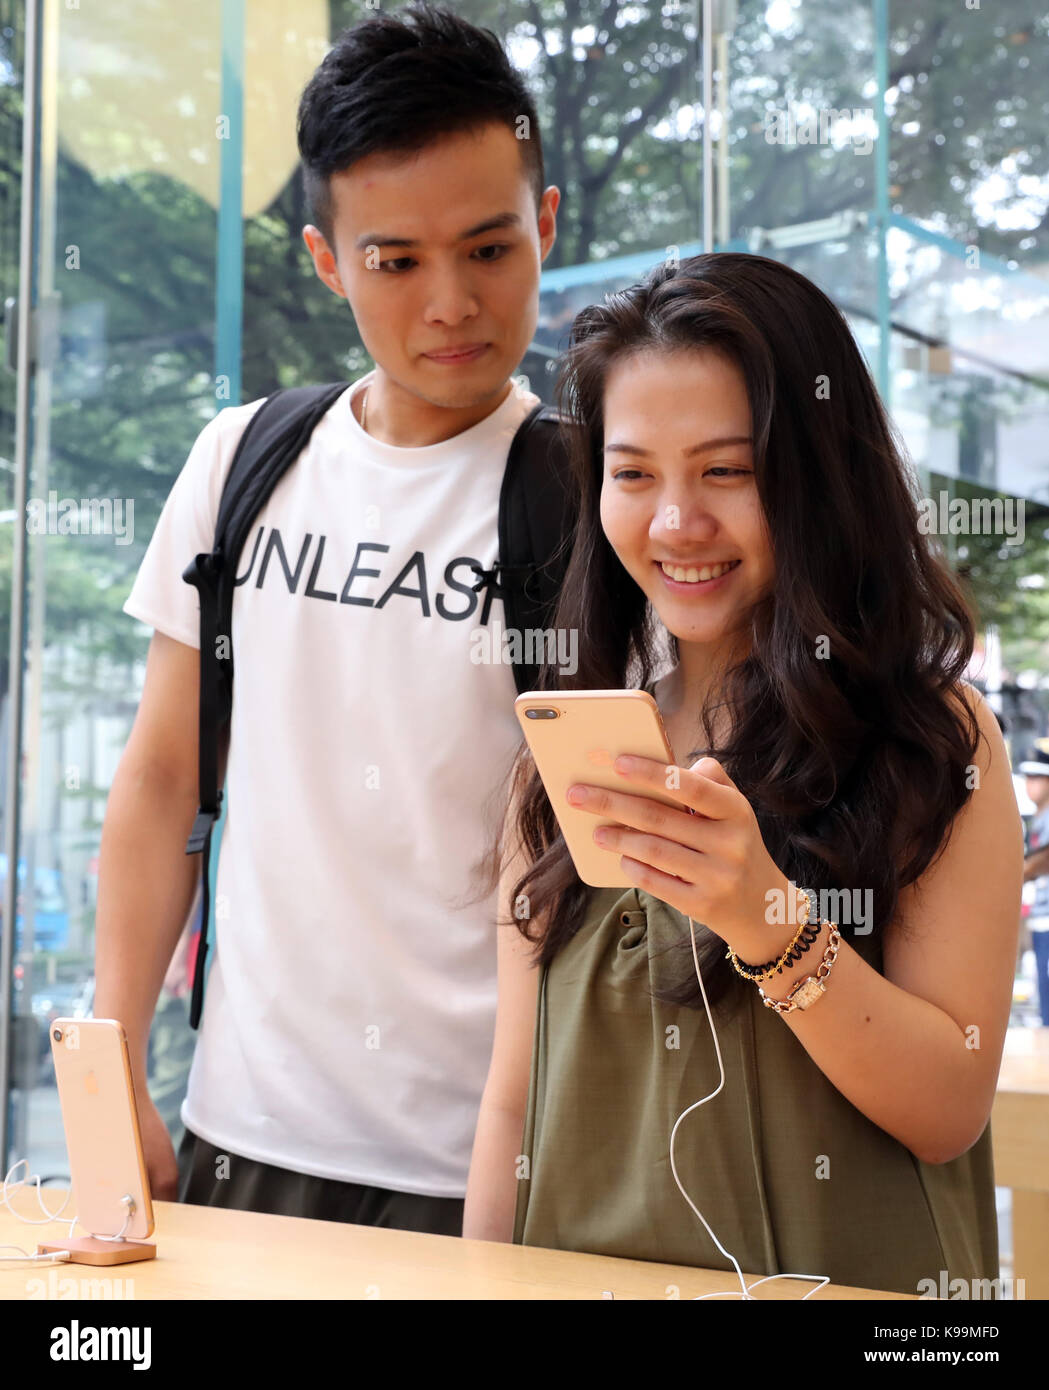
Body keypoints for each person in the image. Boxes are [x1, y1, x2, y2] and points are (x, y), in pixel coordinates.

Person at [464, 253, 1024, 1297]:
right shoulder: (560, 765)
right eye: (632, 475)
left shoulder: (929, 738)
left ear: (815, 476)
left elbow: (948, 1107)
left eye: (726, 470)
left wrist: (768, 921)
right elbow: (510, 1104)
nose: (674, 521)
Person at [95, 3, 563, 1234]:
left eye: (487, 248)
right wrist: (113, 1057)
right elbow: (159, 779)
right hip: (239, 1130)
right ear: (325, 259)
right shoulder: (241, 462)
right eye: (394, 261)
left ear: (545, 227)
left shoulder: (594, 503)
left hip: (489, 1156)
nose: (449, 303)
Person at [1020, 743, 1049, 1024]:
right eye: (1028, 778)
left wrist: (1019, 873)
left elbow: (1041, 862)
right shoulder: (1038, 820)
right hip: (1041, 918)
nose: (1031, 784)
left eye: (1037, 777)